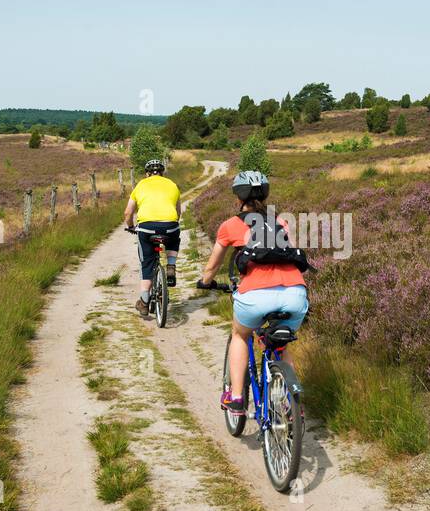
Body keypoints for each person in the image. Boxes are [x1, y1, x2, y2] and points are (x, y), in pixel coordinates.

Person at [196, 171, 309, 411]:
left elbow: (214, 264)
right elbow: (293, 253)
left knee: (240, 334)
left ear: (239, 197)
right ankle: (289, 405)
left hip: (256, 295)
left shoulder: (230, 225)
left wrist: (206, 281)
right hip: (295, 294)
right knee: (281, 345)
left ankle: (236, 397)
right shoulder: (281, 222)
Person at [124, 158, 180, 317]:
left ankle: (144, 302)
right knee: (175, 237)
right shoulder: (172, 185)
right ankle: (170, 266)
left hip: (146, 229)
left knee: (147, 264)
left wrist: (130, 226)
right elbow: (178, 213)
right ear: (162, 173)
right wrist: (170, 225)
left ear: (147, 173)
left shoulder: (140, 185)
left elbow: (128, 213)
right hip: (170, 226)